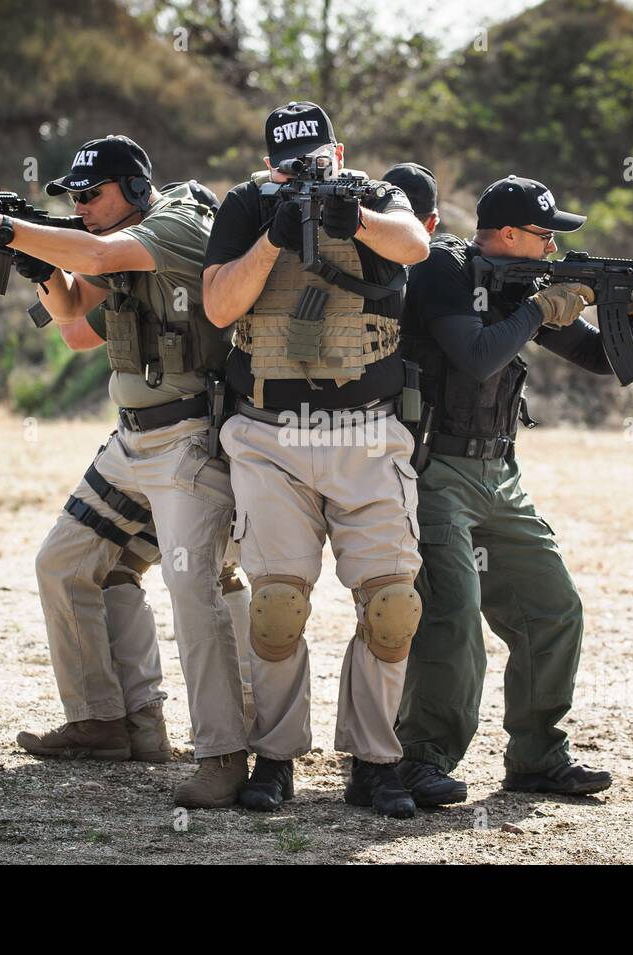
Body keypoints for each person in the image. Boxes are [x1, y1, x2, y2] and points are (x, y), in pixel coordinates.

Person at [0, 135, 250, 808]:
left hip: (190, 441)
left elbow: (100, 254)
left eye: (91, 195)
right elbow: (75, 327)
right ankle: (111, 723)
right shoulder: (119, 239)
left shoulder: (172, 227)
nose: (82, 208)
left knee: (195, 593)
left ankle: (223, 755)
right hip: (133, 442)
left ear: (135, 188)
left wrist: (11, 228)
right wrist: (31, 256)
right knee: (67, 563)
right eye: (72, 200)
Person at [393, 174, 633, 805]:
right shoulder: (444, 270)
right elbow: (473, 356)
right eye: (543, 235)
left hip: (501, 475)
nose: (553, 250)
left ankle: (537, 755)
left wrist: (628, 313)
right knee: (451, 619)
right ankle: (421, 757)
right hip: (435, 469)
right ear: (504, 235)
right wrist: (537, 309)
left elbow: (602, 360)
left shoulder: (522, 289)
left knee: (554, 608)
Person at [201, 102, 431, 818]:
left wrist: (351, 218)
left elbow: (415, 244)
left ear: (339, 150)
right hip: (270, 435)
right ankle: (275, 758)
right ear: (268, 163)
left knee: (392, 605)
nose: (303, 173)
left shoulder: (370, 193)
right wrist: (272, 239)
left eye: (317, 159)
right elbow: (217, 306)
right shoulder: (245, 206)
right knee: (275, 605)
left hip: (366, 431)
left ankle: (375, 762)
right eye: (288, 163)